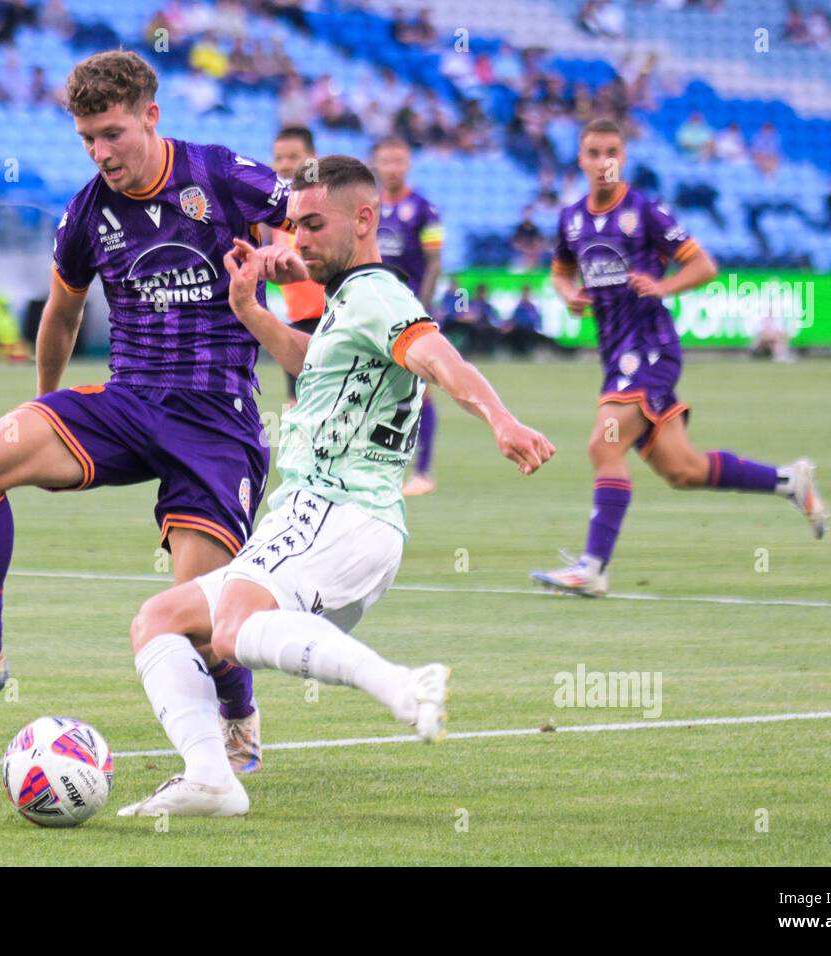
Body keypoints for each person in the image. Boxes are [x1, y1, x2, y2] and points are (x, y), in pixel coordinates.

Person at [0, 51, 294, 775]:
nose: (102, 153)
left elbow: (306, 219)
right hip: (128, 400)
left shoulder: (220, 171)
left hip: (216, 421)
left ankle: (238, 715)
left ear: (150, 117)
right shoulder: (87, 213)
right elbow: (62, 317)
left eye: (112, 134)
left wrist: (285, 248)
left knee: (200, 623)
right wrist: (42, 407)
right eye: (87, 140)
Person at [116, 156, 555, 816]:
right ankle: (210, 777)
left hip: (335, 510)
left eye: (315, 224)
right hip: (336, 522)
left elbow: (439, 356)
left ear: (366, 219)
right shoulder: (349, 302)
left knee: (232, 632)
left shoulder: (380, 296)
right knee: (160, 621)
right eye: (293, 227)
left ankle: (405, 686)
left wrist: (501, 418)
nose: (300, 241)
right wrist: (251, 311)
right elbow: (314, 361)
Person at [531, 118, 828, 598]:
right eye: (593, 152)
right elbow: (560, 271)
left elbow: (705, 264)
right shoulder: (571, 219)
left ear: (622, 157)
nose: (603, 161)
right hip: (616, 354)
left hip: (650, 349)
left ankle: (593, 567)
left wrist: (663, 285)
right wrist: (567, 294)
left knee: (602, 445)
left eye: (612, 151)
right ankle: (789, 480)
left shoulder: (646, 211)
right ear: (581, 160)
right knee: (682, 470)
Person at [371, 136, 444, 496]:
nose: (392, 168)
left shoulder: (424, 210)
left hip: (409, 311)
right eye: (386, 161)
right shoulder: (367, 207)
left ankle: (424, 472)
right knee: (375, 390)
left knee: (421, 390)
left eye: (398, 161)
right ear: (375, 164)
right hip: (372, 312)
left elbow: (434, 263)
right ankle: (379, 466)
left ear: (408, 163)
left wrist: (421, 307)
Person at [266, 127, 324, 407]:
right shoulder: (278, 211)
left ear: (313, 160)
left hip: (333, 319)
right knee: (296, 405)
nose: (286, 165)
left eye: (294, 156)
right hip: (297, 322)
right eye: (279, 158)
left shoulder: (327, 205)